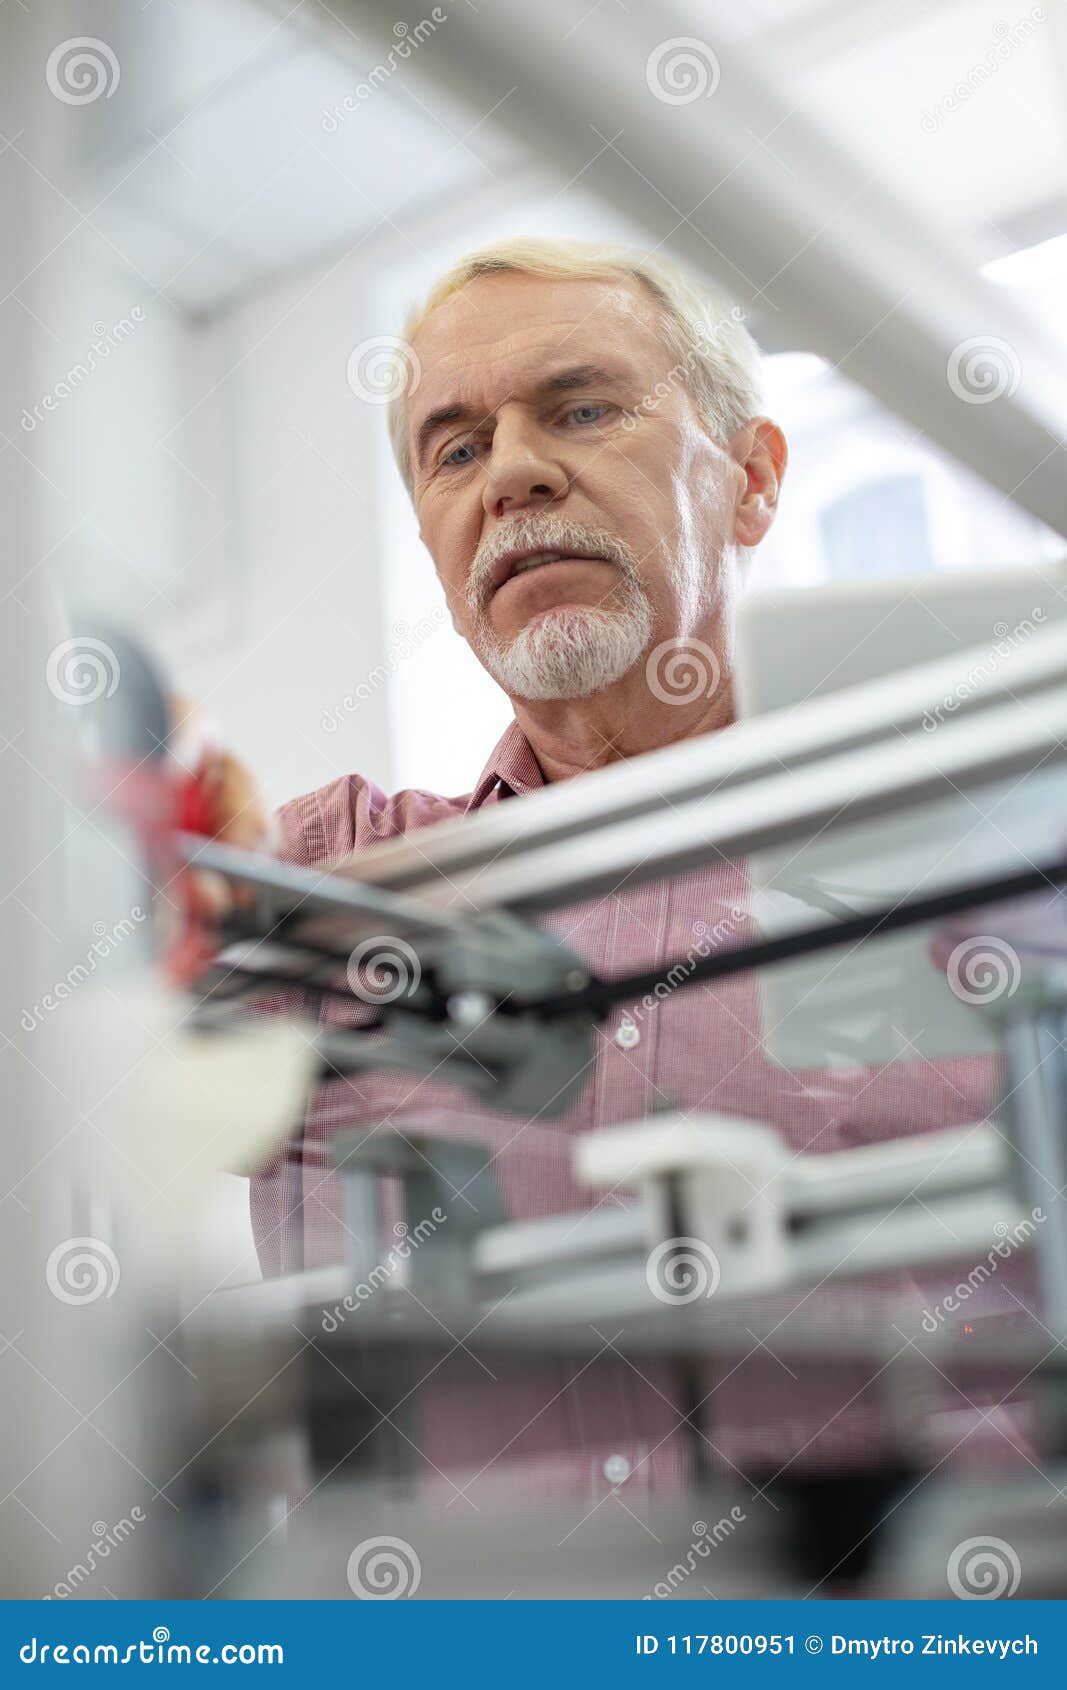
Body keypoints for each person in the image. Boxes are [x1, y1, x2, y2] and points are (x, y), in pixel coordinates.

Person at [194, 239, 1033, 1539]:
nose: (515, 470)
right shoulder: (334, 881)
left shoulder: (978, 833)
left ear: (752, 478)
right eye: (454, 447)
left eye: (581, 407)